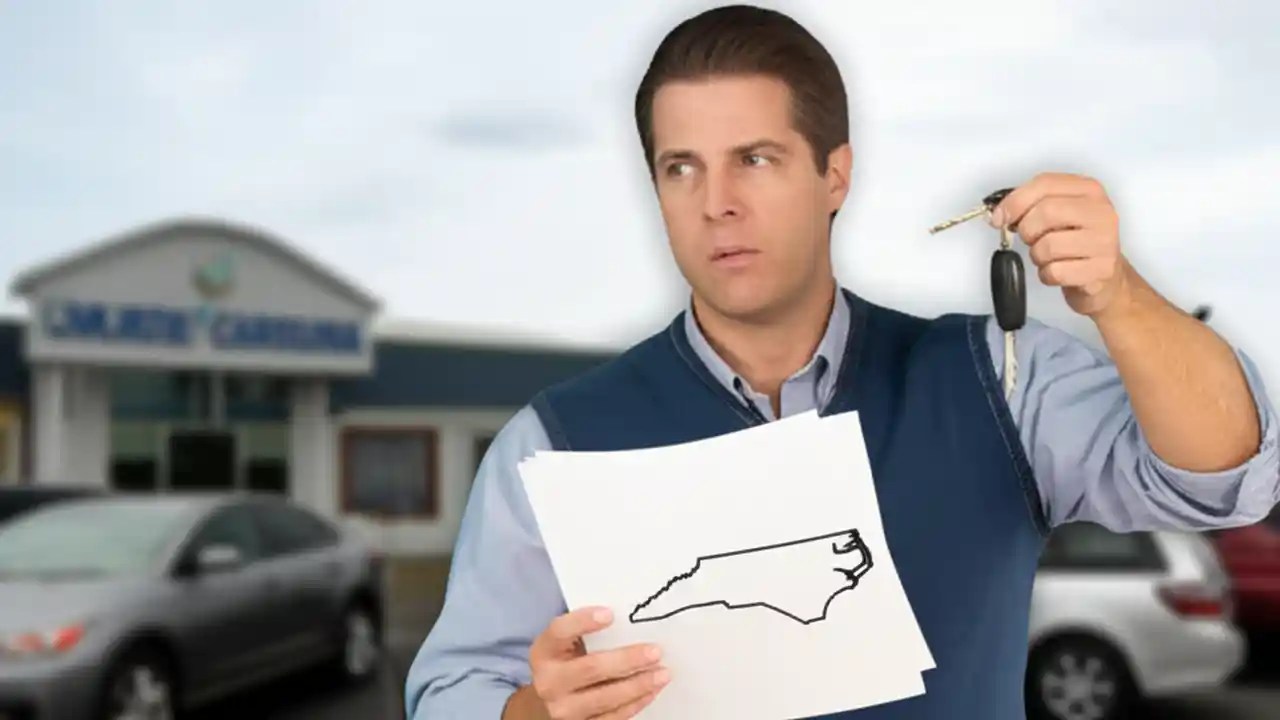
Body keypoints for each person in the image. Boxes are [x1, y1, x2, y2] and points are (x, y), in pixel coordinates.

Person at [406, 5, 1279, 719]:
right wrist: (534, 715)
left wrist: (1118, 295)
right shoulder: (550, 443)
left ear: (835, 175)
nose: (717, 205)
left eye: (755, 159)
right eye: (682, 168)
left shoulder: (997, 379)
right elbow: (451, 692)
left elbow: (1224, 478)